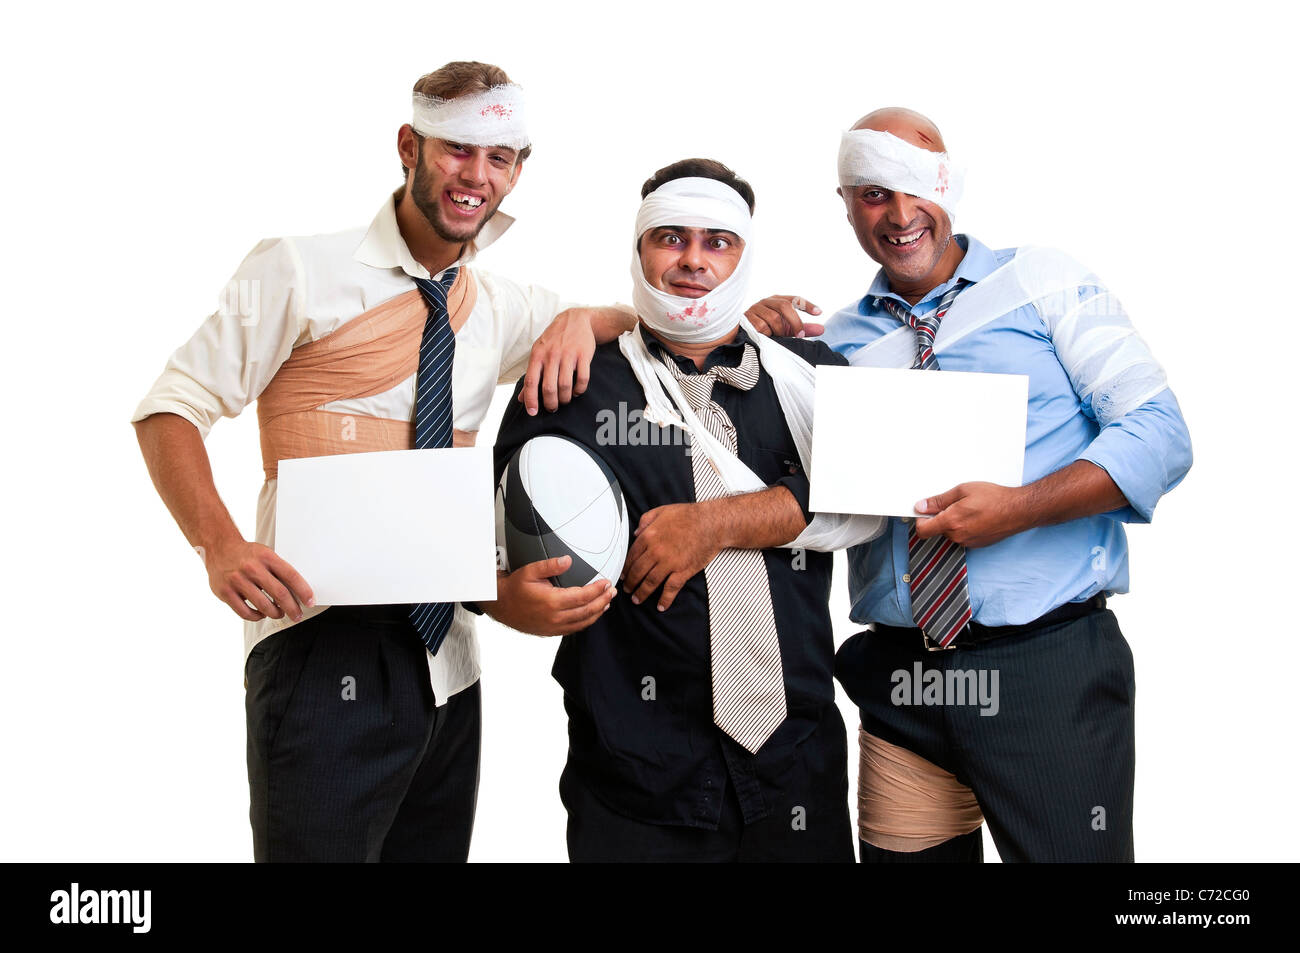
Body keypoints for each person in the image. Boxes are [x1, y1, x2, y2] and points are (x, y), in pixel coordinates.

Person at [131, 61, 635, 862]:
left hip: (450, 662)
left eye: (499, 157)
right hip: (319, 643)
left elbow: (635, 322)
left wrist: (581, 317)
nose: (477, 175)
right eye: (457, 150)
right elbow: (171, 404)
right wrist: (218, 543)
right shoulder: (299, 270)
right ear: (410, 145)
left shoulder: (500, 306)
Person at [746, 108, 1193, 863]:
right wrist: (749, 334)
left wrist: (1018, 509)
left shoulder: (1043, 283)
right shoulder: (839, 345)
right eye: (872, 193)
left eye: (914, 186)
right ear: (847, 204)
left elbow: (1159, 433)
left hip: (1044, 670)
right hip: (900, 679)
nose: (898, 213)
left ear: (949, 185)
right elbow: (805, 484)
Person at [493, 158, 882, 862]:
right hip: (637, 775)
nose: (693, 260)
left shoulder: (811, 378)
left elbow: (873, 497)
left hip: (797, 766)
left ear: (744, 254)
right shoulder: (571, 380)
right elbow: (493, 550)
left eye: (717, 241)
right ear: (639, 249)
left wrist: (713, 523)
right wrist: (502, 599)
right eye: (670, 238)